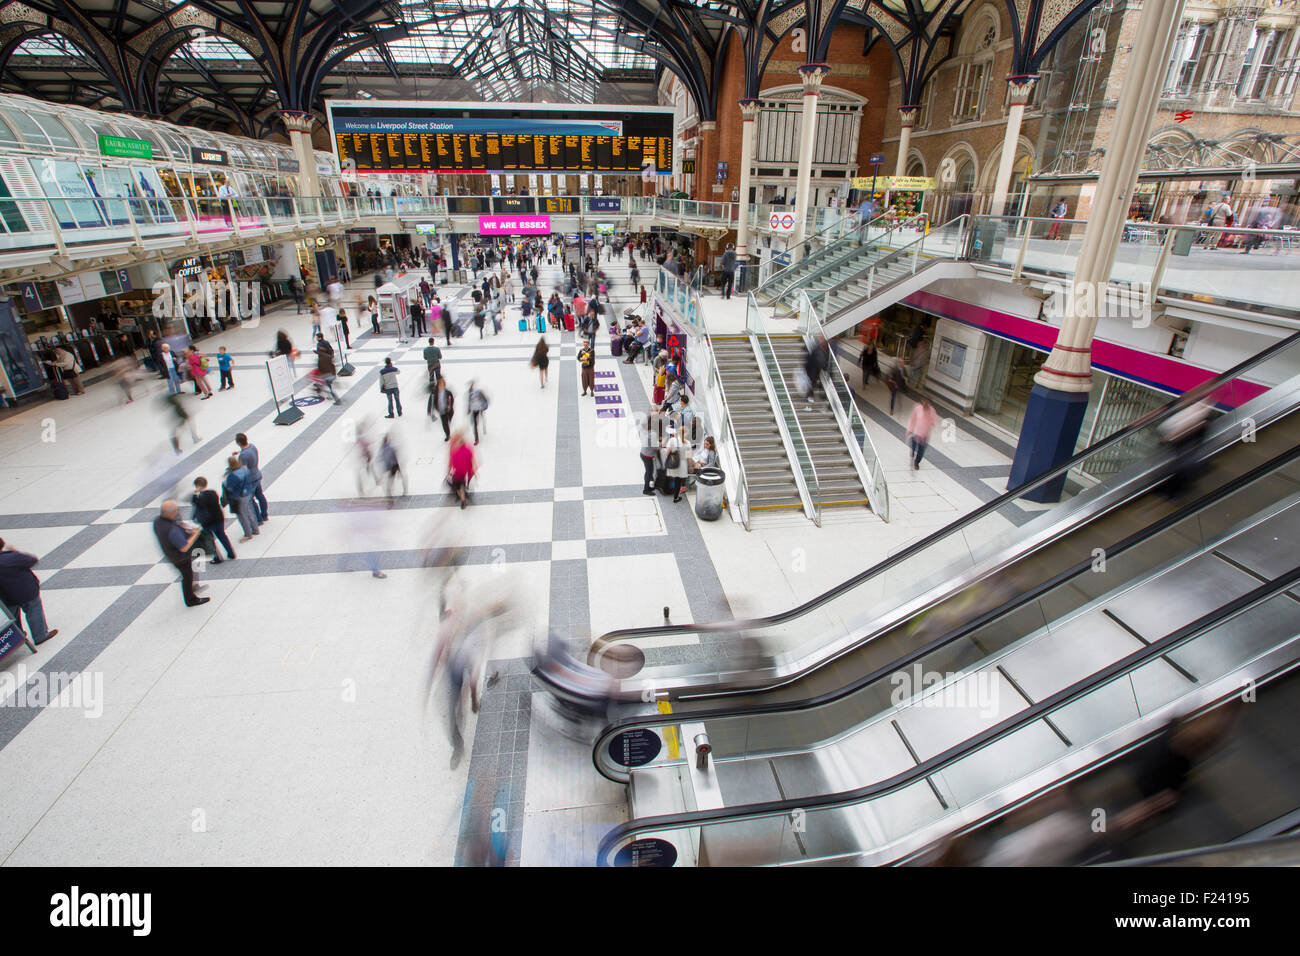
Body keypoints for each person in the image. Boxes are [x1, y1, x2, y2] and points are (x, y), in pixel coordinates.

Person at [0, 538, 58, 645]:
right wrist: (16, 552)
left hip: (6, 596)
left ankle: (17, 637)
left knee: (13, 616)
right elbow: (32, 560)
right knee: (34, 611)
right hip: (25, 591)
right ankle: (40, 636)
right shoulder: (11, 557)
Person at [152, 501, 209, 608]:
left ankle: (191, 594)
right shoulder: (172, 530)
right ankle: (191, 599)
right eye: (176, 510)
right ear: (172, 513)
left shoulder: (157, 521)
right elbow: (184, 547)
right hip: (181, 558)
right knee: (187, 577)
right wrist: (195, 534)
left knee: (187, 576)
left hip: (170, 554)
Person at [191, 477, 235, 564]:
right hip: (218, 518)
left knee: (210, 540)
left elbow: (199, 505)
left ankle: (217, 557)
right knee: (222, 536)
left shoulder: (202, 497)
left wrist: (195, 495)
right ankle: (231, 553)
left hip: (209, 521)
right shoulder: (213, 492)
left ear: (198, 486)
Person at [223, 454, 260, 542]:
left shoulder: (232, 476)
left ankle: (248, 534)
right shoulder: (245, 469)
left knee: (242, 516)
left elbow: (229, 488)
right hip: (247, 493)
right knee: (249, 511)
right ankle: (255, 528)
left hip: (238, 497)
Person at [234, 433, 268, 525]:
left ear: (239, 442)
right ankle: (264, 515)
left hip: (251, 479)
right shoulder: (252, 447)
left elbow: (243, 469)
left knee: (251, 499)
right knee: (260, 495)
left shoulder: (243, 456)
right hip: (257, 473)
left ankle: (258, 519)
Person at [906, 396, 939, 470]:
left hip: (925, 435)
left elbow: (935, 420)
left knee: (921, 451)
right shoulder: (918, 408)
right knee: (913, 446)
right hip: (916, 433)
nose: (925, 404)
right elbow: (912, 419)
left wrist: (935, 425)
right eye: (924, 401)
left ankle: (916, 462)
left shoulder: (931, 410)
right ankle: (913, 451)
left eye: (927, 402)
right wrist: (909, 429)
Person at [448, 430, 476, 509]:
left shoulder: (454, 451)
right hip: (464, 472)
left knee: (457, 487)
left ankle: (461, 498)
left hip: (457, 473)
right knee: (462, 486)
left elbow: (452, 462)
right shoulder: (467, 450)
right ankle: (463, 499)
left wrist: (450, 470)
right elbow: (471, 460)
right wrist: (473, 470)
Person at [662, 426, 687, 503]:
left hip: (672, 463)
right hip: (681, 464)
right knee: (678, 481)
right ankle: (676, 497)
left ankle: (666, 490)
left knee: (668, 476)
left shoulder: (672, 440)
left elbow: (666, 453)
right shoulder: (686, 442)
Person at [314, 333, 341, 404]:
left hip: (326, 374)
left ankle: (336, 399)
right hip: (330, 372)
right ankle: (328, 394)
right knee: (327, 385)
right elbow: (331, 350)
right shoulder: (327, 355)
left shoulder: (321, 358)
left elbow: (320, 368)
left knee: (328, 386)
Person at [432, 375, 454, 441]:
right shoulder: (436, 393)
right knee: (444, 425)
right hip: (441, 411)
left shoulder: (448, 392)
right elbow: (434, 402)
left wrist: (449, 406)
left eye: (442, 385)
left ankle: (448, 431)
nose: (441, 386)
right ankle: (448, 435)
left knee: (447, 422)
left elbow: (452, 400)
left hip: (448, 410)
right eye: (440, 385)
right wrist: (437, 409)